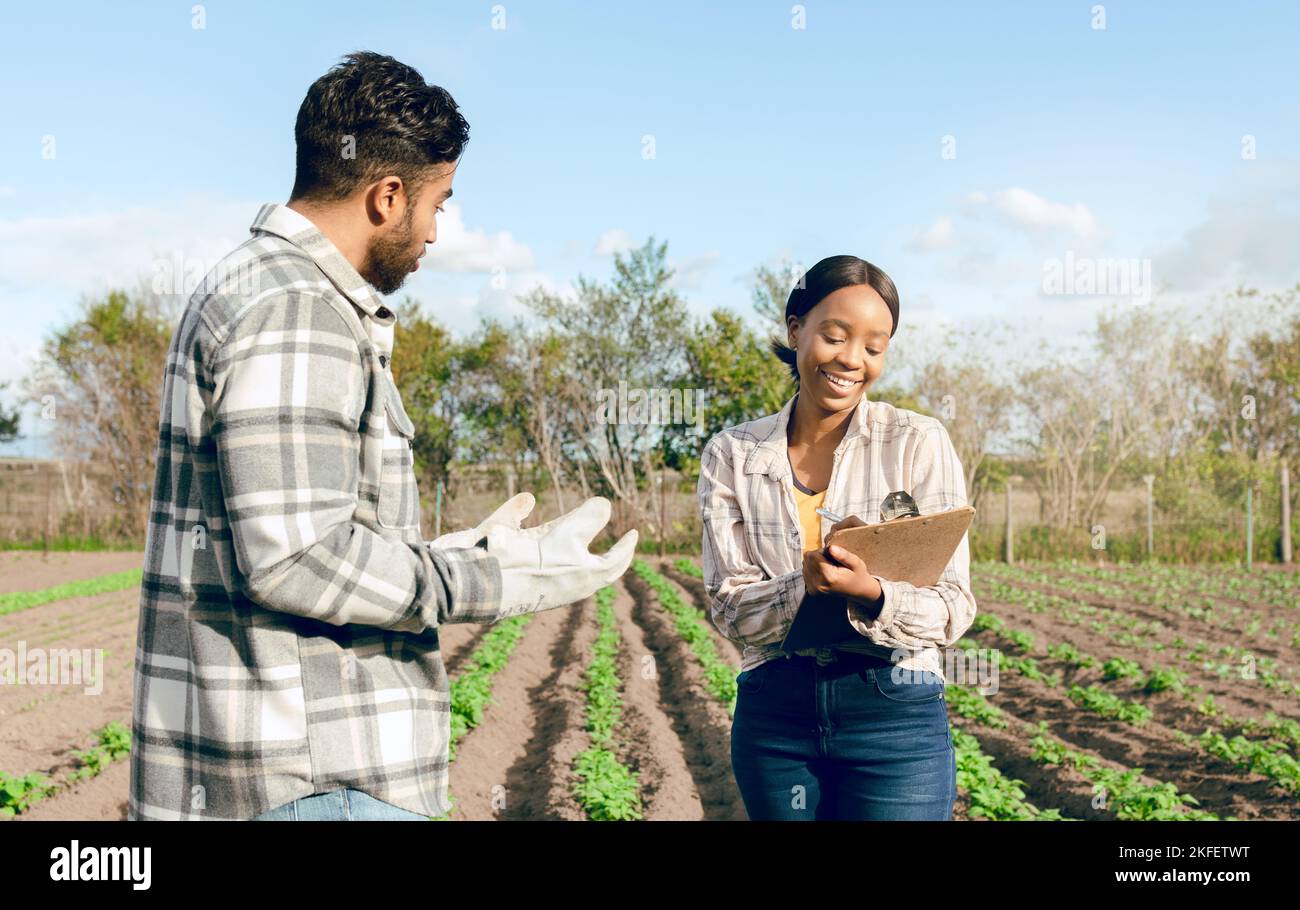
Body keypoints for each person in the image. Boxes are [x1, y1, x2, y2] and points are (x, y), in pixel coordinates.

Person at [128, 51, 636, 821]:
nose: (436, 231)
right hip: (312, 779)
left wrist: (461, 553)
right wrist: (497, 582)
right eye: (439, 202)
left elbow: (299, 529)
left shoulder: (249, 285)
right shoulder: (298, 307)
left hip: (277, 773)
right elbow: (300, 557)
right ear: (387, 195)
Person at [696, 255, 976, 820]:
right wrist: (807, 584)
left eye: (874, 347)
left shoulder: (917, 442)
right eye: (835, 335)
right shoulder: (733, 454)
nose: (852, 359)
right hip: (777, 716)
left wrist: (873, 591)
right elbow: (729, 606)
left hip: (894, 712)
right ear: (796, 330)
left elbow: (954, 606)